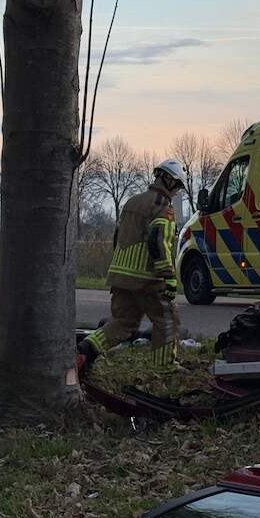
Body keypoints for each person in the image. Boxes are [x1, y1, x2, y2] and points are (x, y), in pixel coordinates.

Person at [77, 159, 188, 375]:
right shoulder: (163, 208)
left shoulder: (132, 202)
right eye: (179, 187)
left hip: (119, 275)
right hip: (147, 278)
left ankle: (83, 352)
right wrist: (169, 277)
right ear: (171, 182)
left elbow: (117, 237)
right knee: (167, 319)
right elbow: (159, 243)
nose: (177, 192)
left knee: (123, 322)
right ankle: (164, 368)